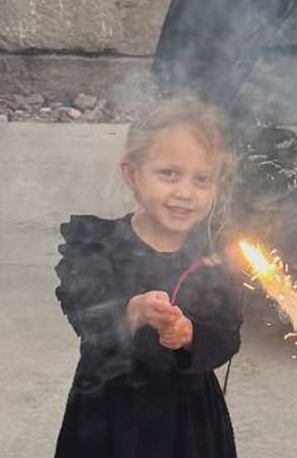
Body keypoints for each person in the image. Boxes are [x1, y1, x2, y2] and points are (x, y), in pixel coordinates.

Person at [53, 97, 242, 458]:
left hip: (187, 422)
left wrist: (190, 335)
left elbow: (227, 334)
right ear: (132, 173)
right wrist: (133, 311)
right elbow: (85, 316)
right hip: (109, 415)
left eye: (202, 179)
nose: (185, 192)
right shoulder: (98, 247)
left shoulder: (215, 258)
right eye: (169, 174)